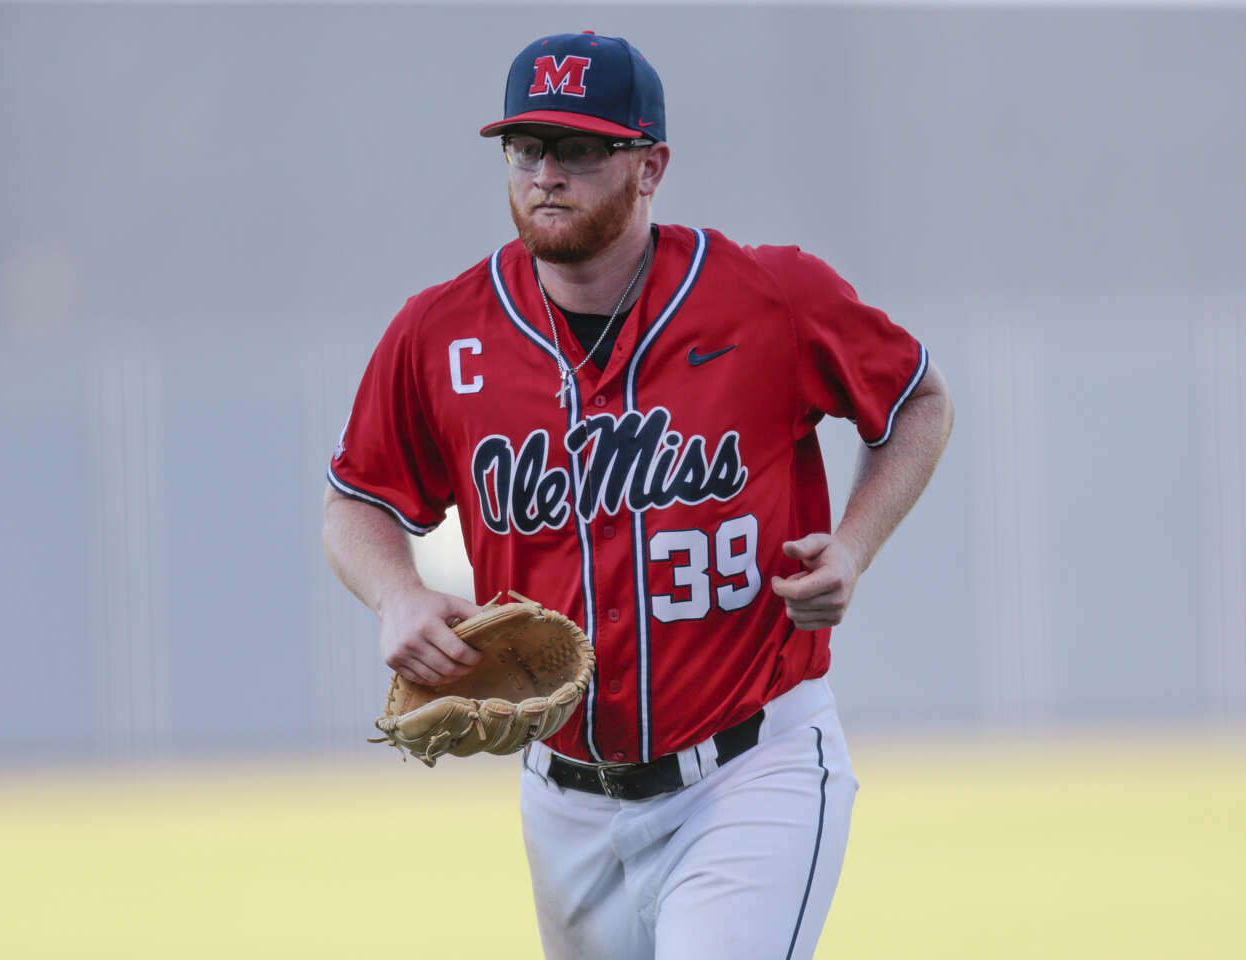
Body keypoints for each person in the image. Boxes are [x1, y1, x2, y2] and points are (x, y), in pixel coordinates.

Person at [322, 31, 953, 960]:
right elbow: (355, 502)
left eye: (580, 149)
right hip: (562, 798)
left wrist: (855, 544)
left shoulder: (768, 297)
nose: (547, 174)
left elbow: (916, 401)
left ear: (650, 164)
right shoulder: (437, 334)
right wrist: (399, 594)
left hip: (750, 771)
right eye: (527, 148)